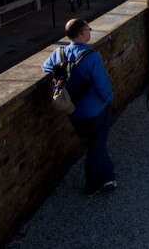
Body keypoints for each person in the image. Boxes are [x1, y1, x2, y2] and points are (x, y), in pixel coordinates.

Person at [42, 18, 116, 197]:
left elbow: (46, 67)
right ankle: (92, 185)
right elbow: (103, 86)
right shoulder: (92, 57)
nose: (89, 31)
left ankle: (108, 177)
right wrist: (110, 101)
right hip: (95, 110)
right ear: (83, 33)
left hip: (73, 112)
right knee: (96, 147)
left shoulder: (58, 54)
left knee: (94, 143)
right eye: (88, 29)